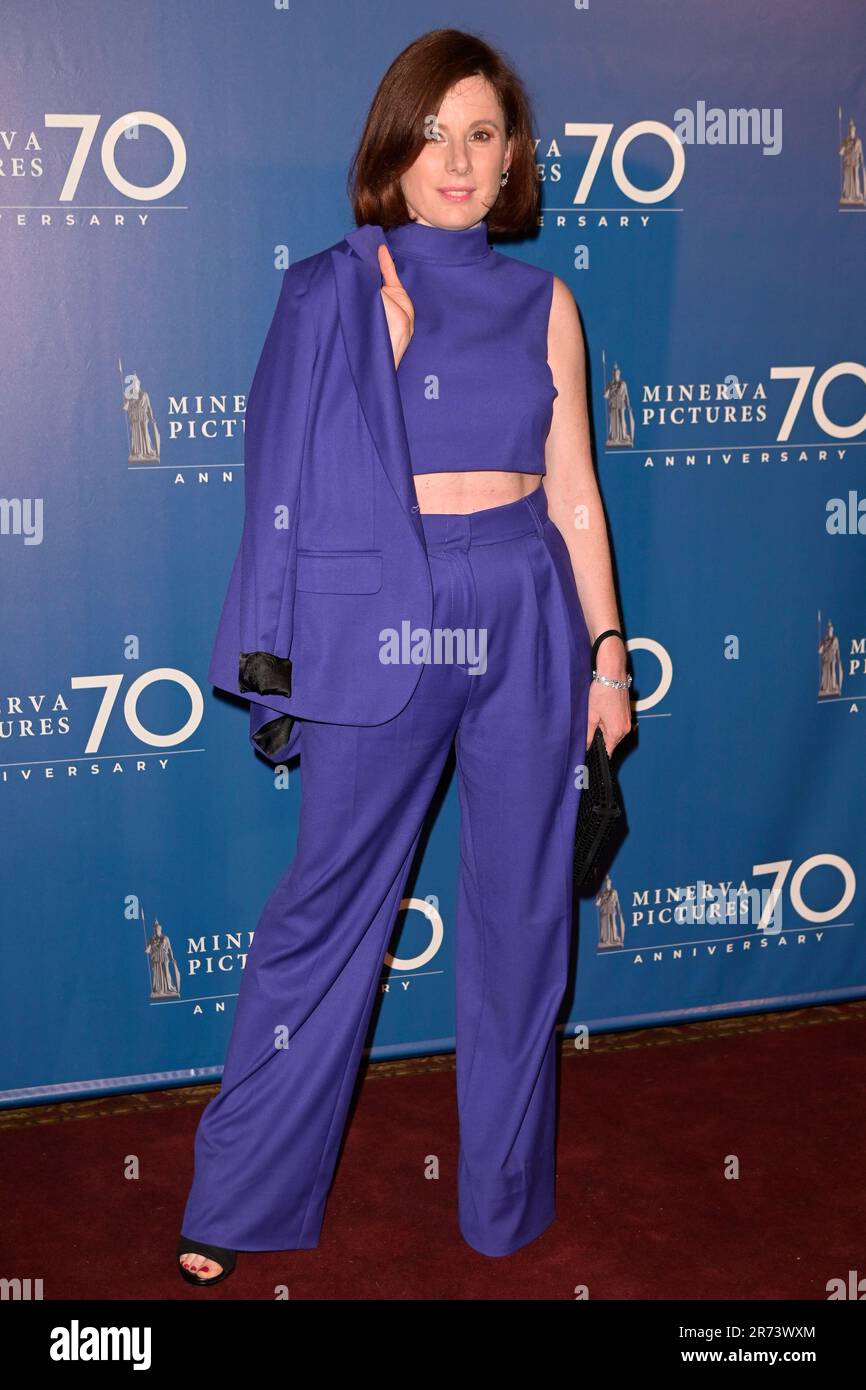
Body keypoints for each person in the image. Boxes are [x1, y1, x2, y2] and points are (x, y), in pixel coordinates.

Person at [177, 27, 632, 1287]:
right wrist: (369, 365)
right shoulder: (330, 285)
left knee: (523, 917)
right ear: (393, 144)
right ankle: (244, 1196)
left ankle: (499, 1201)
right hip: (381, 613)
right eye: (434, 129)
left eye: (482, 134)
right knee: (327, 911)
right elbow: (282, 477)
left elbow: (575, 493)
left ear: (510, 164)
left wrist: (606, 653)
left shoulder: (547, 302)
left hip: (526, 607)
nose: (458, 155)